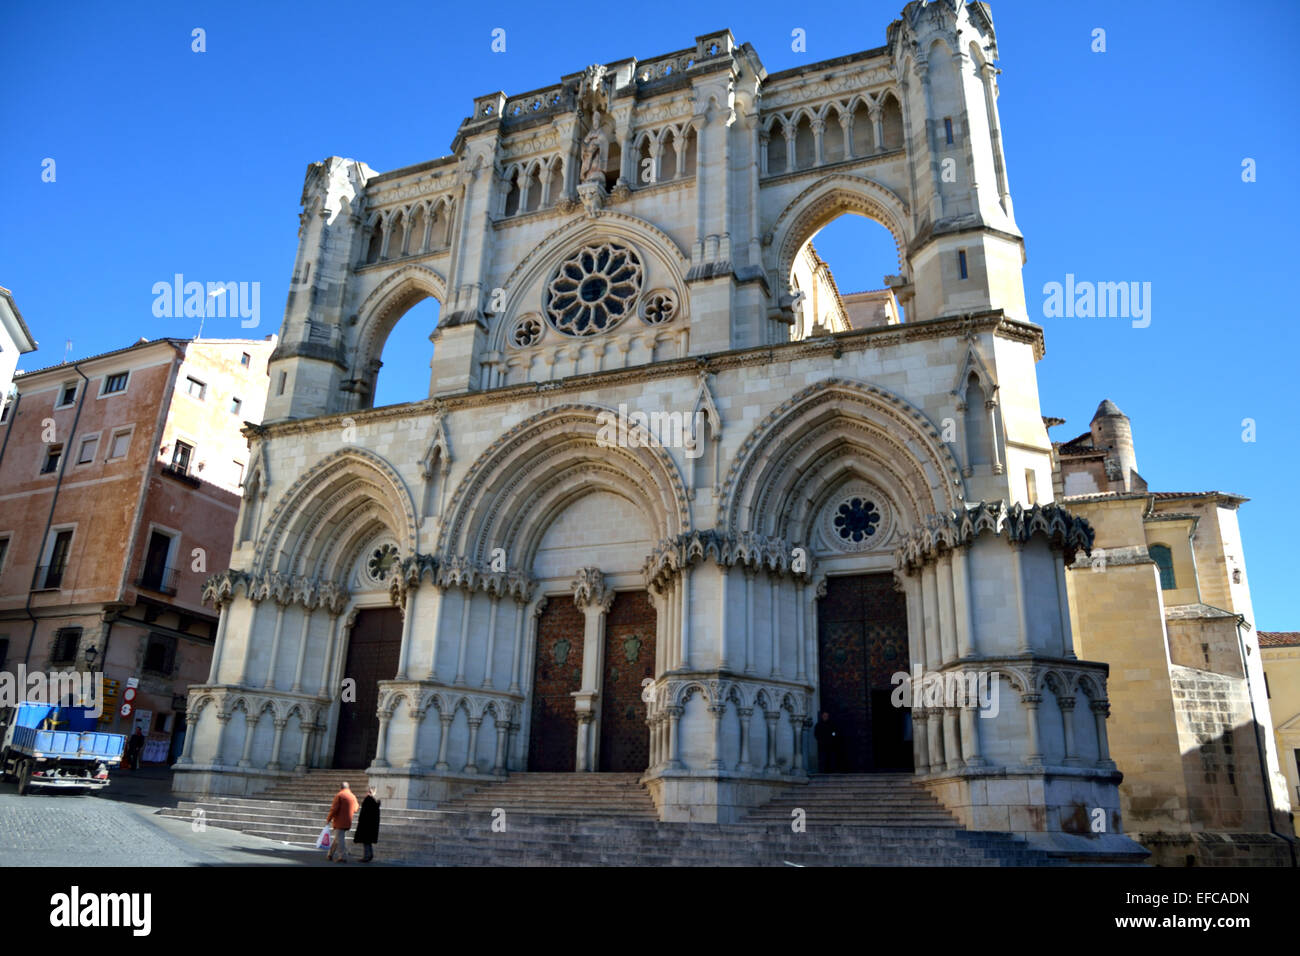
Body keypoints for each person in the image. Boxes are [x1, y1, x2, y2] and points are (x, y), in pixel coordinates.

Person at [325, 781, 359, 863]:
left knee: (340, 839)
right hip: (348, 821)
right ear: (348, 787)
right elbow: (356, 808)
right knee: (338, 838)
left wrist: (329, 819)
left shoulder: (339, 795)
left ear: (341, 787)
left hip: (339, 821)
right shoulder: (353, 796)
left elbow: (334, 809)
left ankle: (342, 856)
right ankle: (330, 854)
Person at [354, 787, 381, 863]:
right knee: (368, 841)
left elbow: (363, 814)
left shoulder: (368, 800)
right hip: (372, 826)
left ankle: (366, 856)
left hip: (366, 825)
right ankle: (370, 854)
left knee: (366, 841)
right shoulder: (375, 801)